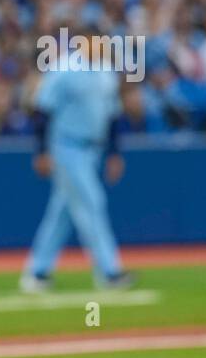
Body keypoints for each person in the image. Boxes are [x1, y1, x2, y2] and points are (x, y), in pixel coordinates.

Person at [21, 39, 134, 292]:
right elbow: (43, 111)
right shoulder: (64, 70)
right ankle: (109, 271)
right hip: (66, 146)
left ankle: (37, 271)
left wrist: (115, 153)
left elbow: (113, 116)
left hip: (93, 148)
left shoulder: (106, 72)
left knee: (62, 212)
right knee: (92, 202)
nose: (102, 48)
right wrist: (41, 151)